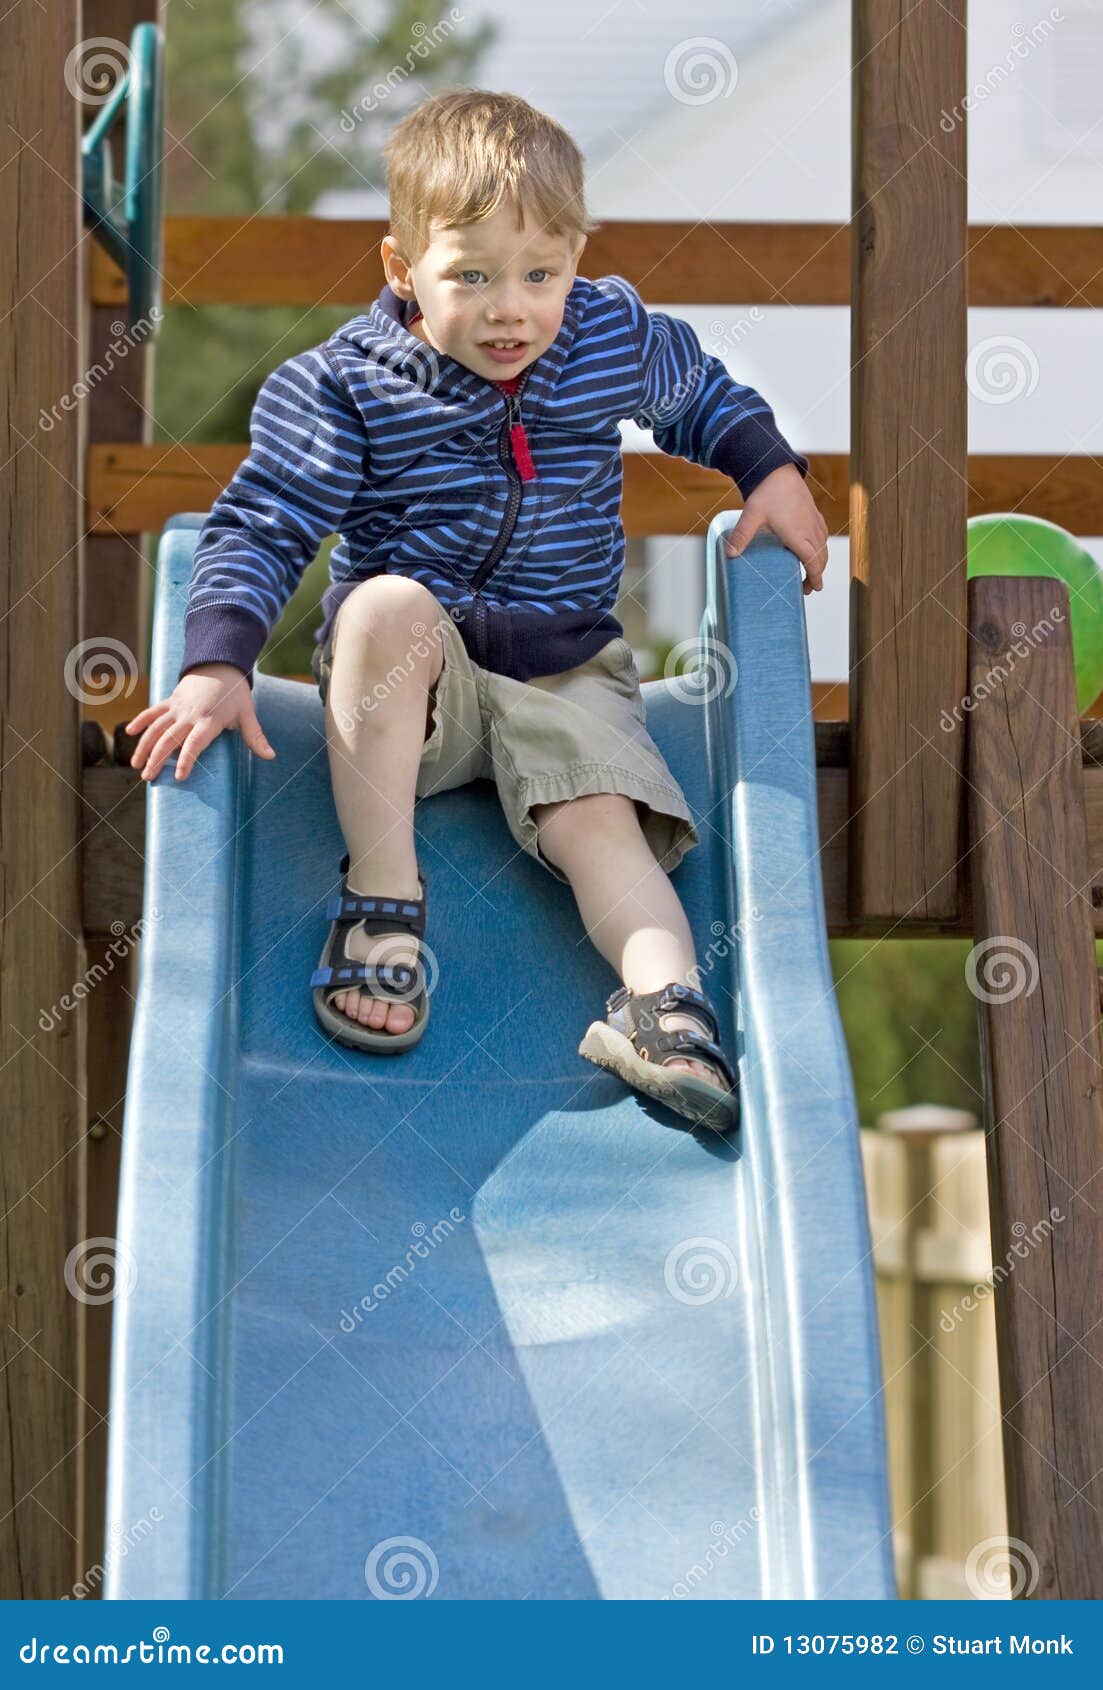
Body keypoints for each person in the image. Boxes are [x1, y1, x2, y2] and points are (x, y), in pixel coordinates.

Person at [124, 89, 829, 1133]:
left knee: (601, 822)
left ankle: (662, 1005)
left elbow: (696, 393)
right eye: (473, 276)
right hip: (415, 690)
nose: (512, 310)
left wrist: (765, 468)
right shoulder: (345, 387)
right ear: (401, 270)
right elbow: (266, 518)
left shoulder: (602, 335)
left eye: (541, 274)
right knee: (384, 606)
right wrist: (218, 659)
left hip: (562, 670)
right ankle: (382, 902)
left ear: (575, 259)